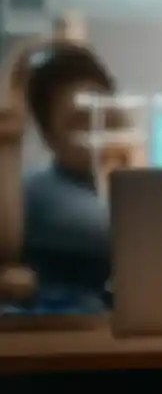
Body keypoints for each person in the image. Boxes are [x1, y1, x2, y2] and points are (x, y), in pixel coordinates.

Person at [19, 42, 119, 303]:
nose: (99, 132)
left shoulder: (124, 188)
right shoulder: (38, 193)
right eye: (80, 121)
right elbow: (127, 234)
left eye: (107, 114)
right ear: (49, 137)